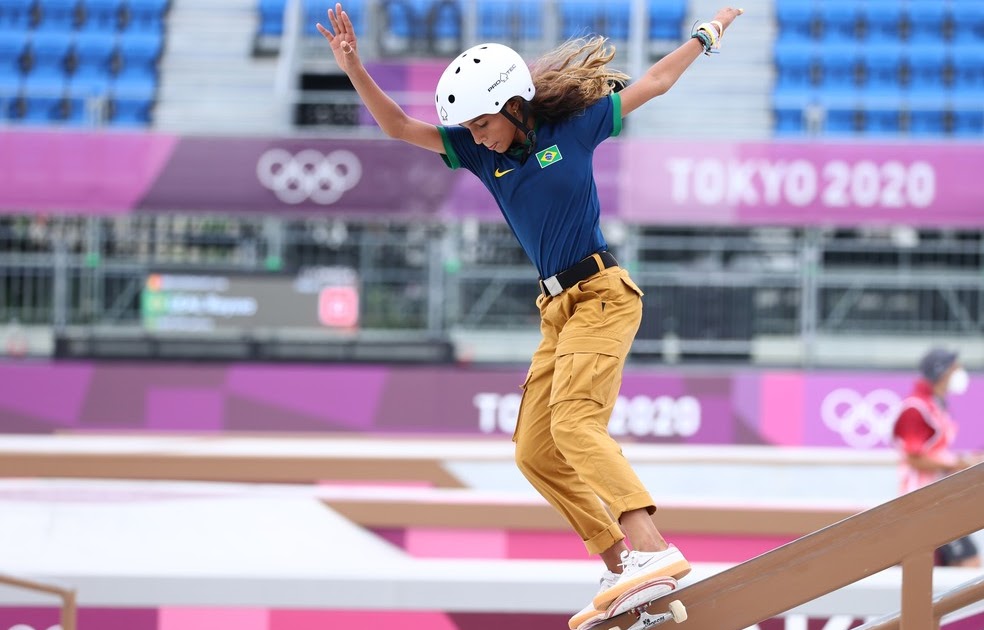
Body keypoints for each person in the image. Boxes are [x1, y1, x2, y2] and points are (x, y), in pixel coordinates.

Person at [317, 5, 743, 627]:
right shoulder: (475, 153)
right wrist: (354, 67)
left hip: (602, 294)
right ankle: (622, 565)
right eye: (469, 126)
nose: (477, 133)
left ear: (515, 105)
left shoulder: (575, 128)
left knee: (574, 424)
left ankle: (654, 550)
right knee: (534, 451)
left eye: (484, 121)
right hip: (557, 313)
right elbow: (399, 127)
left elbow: (652, 83)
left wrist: (705, 37)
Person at [892, 347, 980, 568]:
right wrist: (957, 463)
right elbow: (913, 457)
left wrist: (962, 461)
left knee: (943, 566)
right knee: (967, 562)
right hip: (923, 499)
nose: (961, 372)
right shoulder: (916, 408)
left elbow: (933, 452)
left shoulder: (935, 405)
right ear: (941, 373)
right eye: (955, 368)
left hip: (937, 496)